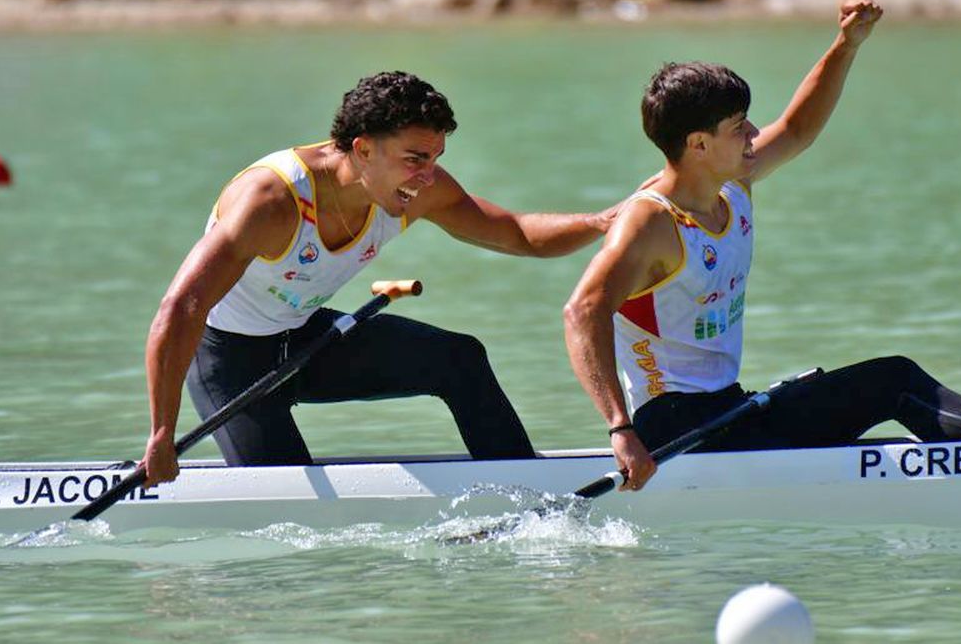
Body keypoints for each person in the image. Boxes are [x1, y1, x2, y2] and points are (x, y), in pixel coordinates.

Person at [563, 0, 961, 493]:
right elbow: (582, 312)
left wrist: (847, 45)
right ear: (698, 144)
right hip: (682, 432)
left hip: (732, 411)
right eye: (739, 127)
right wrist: (622, 430)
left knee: (882, 387)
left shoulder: (731, 183)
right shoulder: (651, 223)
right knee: (893, 381)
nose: (754, 134)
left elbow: (799, 128)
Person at [142, 71, 617, 485]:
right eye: (415, 159)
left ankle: (529, 496)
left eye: (435, 157)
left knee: (459, 358)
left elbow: (516, 234)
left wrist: (601, 223)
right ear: (363, 148)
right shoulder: (271, 202)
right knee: (293, 516)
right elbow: (183, 307)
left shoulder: (415, 190)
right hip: (231, 361)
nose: (429, 177)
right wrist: (162, 432)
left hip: (307, 340)